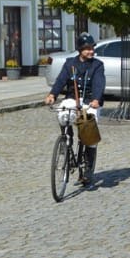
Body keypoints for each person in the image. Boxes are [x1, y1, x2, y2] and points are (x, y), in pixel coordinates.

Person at [44, 32, 105, 183]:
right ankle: (67, 141)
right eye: (87, 48)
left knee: (88, 127)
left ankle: (88, 168)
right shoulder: (70, 63)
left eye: (92, 48)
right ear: (80, 50)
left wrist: (97, 99)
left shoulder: (97, 65)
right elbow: (60, 80)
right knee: (62, 113)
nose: (91, 51)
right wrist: (52, 95)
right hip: (73, 99)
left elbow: (99, 83)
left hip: (90, 101)